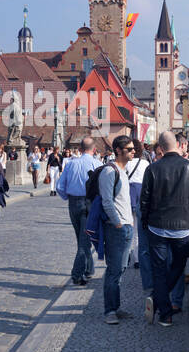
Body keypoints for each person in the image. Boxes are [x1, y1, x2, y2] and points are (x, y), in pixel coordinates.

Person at [140, 131, 189, 327]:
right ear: (178, 145)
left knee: (159, 271)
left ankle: (165, 314)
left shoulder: (152, 169)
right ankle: (160, 300)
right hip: (182, 229)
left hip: (157, 227)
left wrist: (145, 223)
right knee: (179, 264)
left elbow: (144, 201)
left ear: (160, 148)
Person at [99, 135, 137, 324]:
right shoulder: (109, 171)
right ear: (119, 151)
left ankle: (116, 306)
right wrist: (118, 223)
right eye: (130, 149)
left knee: (121, 269)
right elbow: (107, 202)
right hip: (117, 229)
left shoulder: (124, 170)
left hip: (127, 226)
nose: (133, 151)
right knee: (113, 270)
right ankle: (109, 311)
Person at [56, 137, 101, 286]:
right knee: (84, 241)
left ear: (80, 149)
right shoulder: (98, 164)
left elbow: (60, 187)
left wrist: (68, 197)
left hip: (74, 203)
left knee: (82, 239)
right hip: (90, 204)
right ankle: (77, 274)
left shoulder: (71, 164)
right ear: (94, 150)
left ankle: (89, 270)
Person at [124, 139, 150, 272]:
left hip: (129, 195)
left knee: (130, 227)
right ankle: (138, 258)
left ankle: (127, 255)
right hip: (142, 195)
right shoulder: (145, 163)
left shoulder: (127, 163)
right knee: (139, 231)